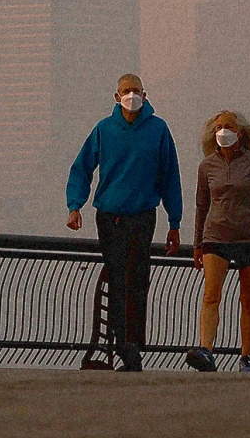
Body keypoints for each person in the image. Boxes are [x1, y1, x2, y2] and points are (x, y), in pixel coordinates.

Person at [66, 73, 184, 372]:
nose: (131, 96)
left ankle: (133, 343)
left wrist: (174, 222)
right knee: (118, 278)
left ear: (144, 94)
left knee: (137, 279)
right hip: (109, 217)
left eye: (136, 91)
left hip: (142, 216)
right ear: (116, 97)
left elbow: (170, 177)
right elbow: (82, 168)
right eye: (126, 91)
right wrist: (74, 206)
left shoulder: (158, 130)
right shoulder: (104, 130)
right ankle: (123, 343)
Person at [185, 110, 250, 373]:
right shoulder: (207, 166)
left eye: (228, 126)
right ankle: (206, 350)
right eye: (219, 127)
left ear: (239, 133)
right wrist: (197, 243)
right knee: (211, 295)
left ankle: (247, 357)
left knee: (249, 299)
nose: (223, 131)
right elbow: (201, 205)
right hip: (215, 237)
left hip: (249, 236)